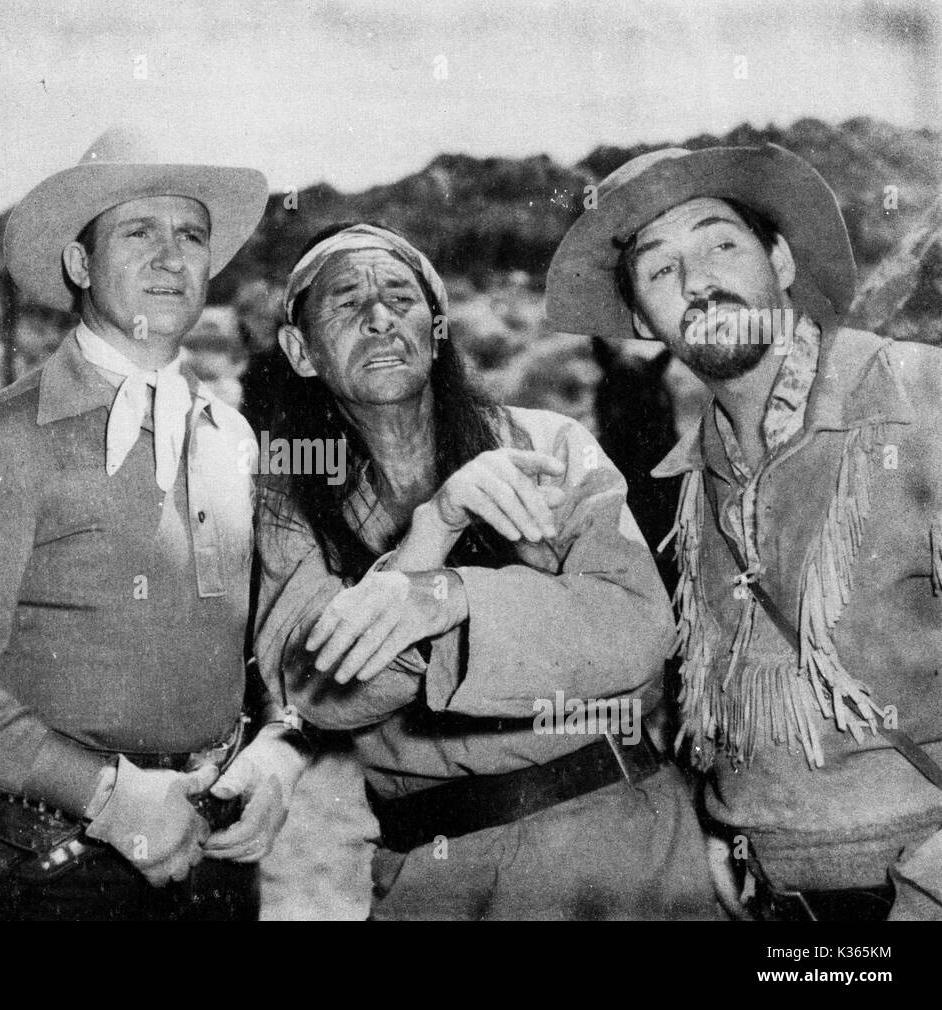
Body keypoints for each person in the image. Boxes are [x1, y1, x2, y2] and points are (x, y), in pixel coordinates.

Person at [0, 125, 308, 921]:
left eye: (191, 234)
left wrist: (280, 754)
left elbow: (278, 645)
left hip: (218, 858)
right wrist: (108, 795)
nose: (171, 256)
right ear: (79, 263)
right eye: (138, 231)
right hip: (52, 872)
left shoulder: (233, 438)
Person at [253, 221, 717, 919]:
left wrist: (453, 596)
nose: (379, 319)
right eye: (346, 304)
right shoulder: (289, 499)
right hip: (439, 881)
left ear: (438, 330)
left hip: (620, 849)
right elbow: (317, 692)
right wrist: (433, 530)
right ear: (301, 351)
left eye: (402, 299)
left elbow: (637, 624)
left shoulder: (548, 443)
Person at [547, 142, 942, 920]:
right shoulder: (694, 485)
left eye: (721, 243)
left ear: (783, 263)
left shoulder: (917, 399)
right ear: (642, 320)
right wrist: (717, 831)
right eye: (660, 271)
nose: (696, 282)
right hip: (767, 896)